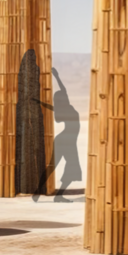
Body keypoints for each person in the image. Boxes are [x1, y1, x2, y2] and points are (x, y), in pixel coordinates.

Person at [32, 67, 82, 202]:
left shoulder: (63, 110)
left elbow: (55, 101)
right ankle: (55, 195)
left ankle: (41, 192)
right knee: (71, 169)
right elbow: (60, 95)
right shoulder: (65, 110)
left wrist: (57, 77)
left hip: (64, 140)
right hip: (67, 141)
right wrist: (57, 77)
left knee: (54, 167)